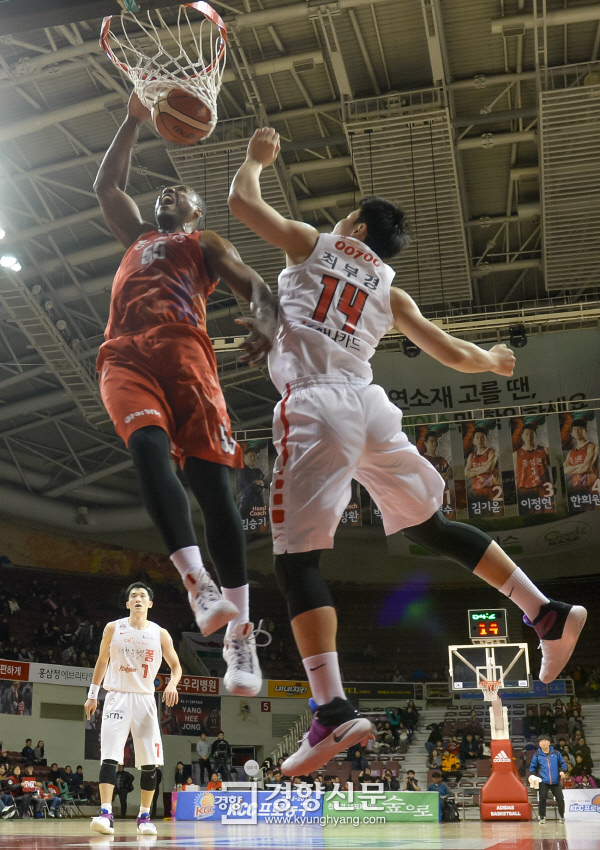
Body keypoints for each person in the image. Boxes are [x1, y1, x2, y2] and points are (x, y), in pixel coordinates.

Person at [227, 125, 587, 775]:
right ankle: (546, 611)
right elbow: (450, 351)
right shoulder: (390, 292)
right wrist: (494, 362)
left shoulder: (314, 243)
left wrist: (253, 163)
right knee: (431, 524)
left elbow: (243, 206)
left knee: (296, 561)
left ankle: (332, 709)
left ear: (357, 229)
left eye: (347, 216)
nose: (339, 220)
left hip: (315, 405)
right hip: (368, 406)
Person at [93, 92, 277, 698]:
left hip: (188, 355)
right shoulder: (136, 236)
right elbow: (106, 185)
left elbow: (256, 287)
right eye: (162, 192)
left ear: (195, 212)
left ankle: (240, 632)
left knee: (213, 487)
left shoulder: (205, 245)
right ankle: (198, 582)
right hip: (126, 354)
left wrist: (267, 320)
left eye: (179, 193)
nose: (167, 194)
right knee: (146, 446)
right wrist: (132, 120)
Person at [84, 582, 182, 837]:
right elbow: (102, 661)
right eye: (133, 596)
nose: (138, 599)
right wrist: (92, 695)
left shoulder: (160, 633)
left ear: (150, 603)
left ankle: (144, 816)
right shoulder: (113, 628)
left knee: (150, 763)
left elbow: (176, 665)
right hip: (116, 696)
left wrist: (172, 683)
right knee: (109, 757)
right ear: (128, 603)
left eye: (143, 596)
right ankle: (106, 814)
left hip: (145, 699)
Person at [514, 422, 553, 514]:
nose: (529, 437)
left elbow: (553, 469)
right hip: (525, 490)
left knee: (547, 514)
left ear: (535, 435)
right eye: (526, 434)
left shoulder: (545, 450)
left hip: (542, 488)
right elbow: (516, 475)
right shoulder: (516, 454)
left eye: (532, 434)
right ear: (522, 436)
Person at [529, 733, 567, 825]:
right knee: (542, 798)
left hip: (556, 780)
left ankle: (562, 815)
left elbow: (563, 764)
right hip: (543, 781)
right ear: (539, 744)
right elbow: (532, 767)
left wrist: (562, 771)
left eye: (545, 741)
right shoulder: (537, 755)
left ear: (549, 742)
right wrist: (533, 776)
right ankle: (542, 817)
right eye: (541, 741)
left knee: (560, 798)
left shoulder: (556, 753)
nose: (543, 743)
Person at [563, 417, 599, 511]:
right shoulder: (571, 452)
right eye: (575, 429)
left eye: (580, 429)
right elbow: (564, 470)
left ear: (585, 430)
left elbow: (586, 467)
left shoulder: (592, 446)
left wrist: (572, 468)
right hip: (578, 489)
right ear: (572, 433)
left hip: (592, 488)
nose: (577, 431)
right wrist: (579, 466)